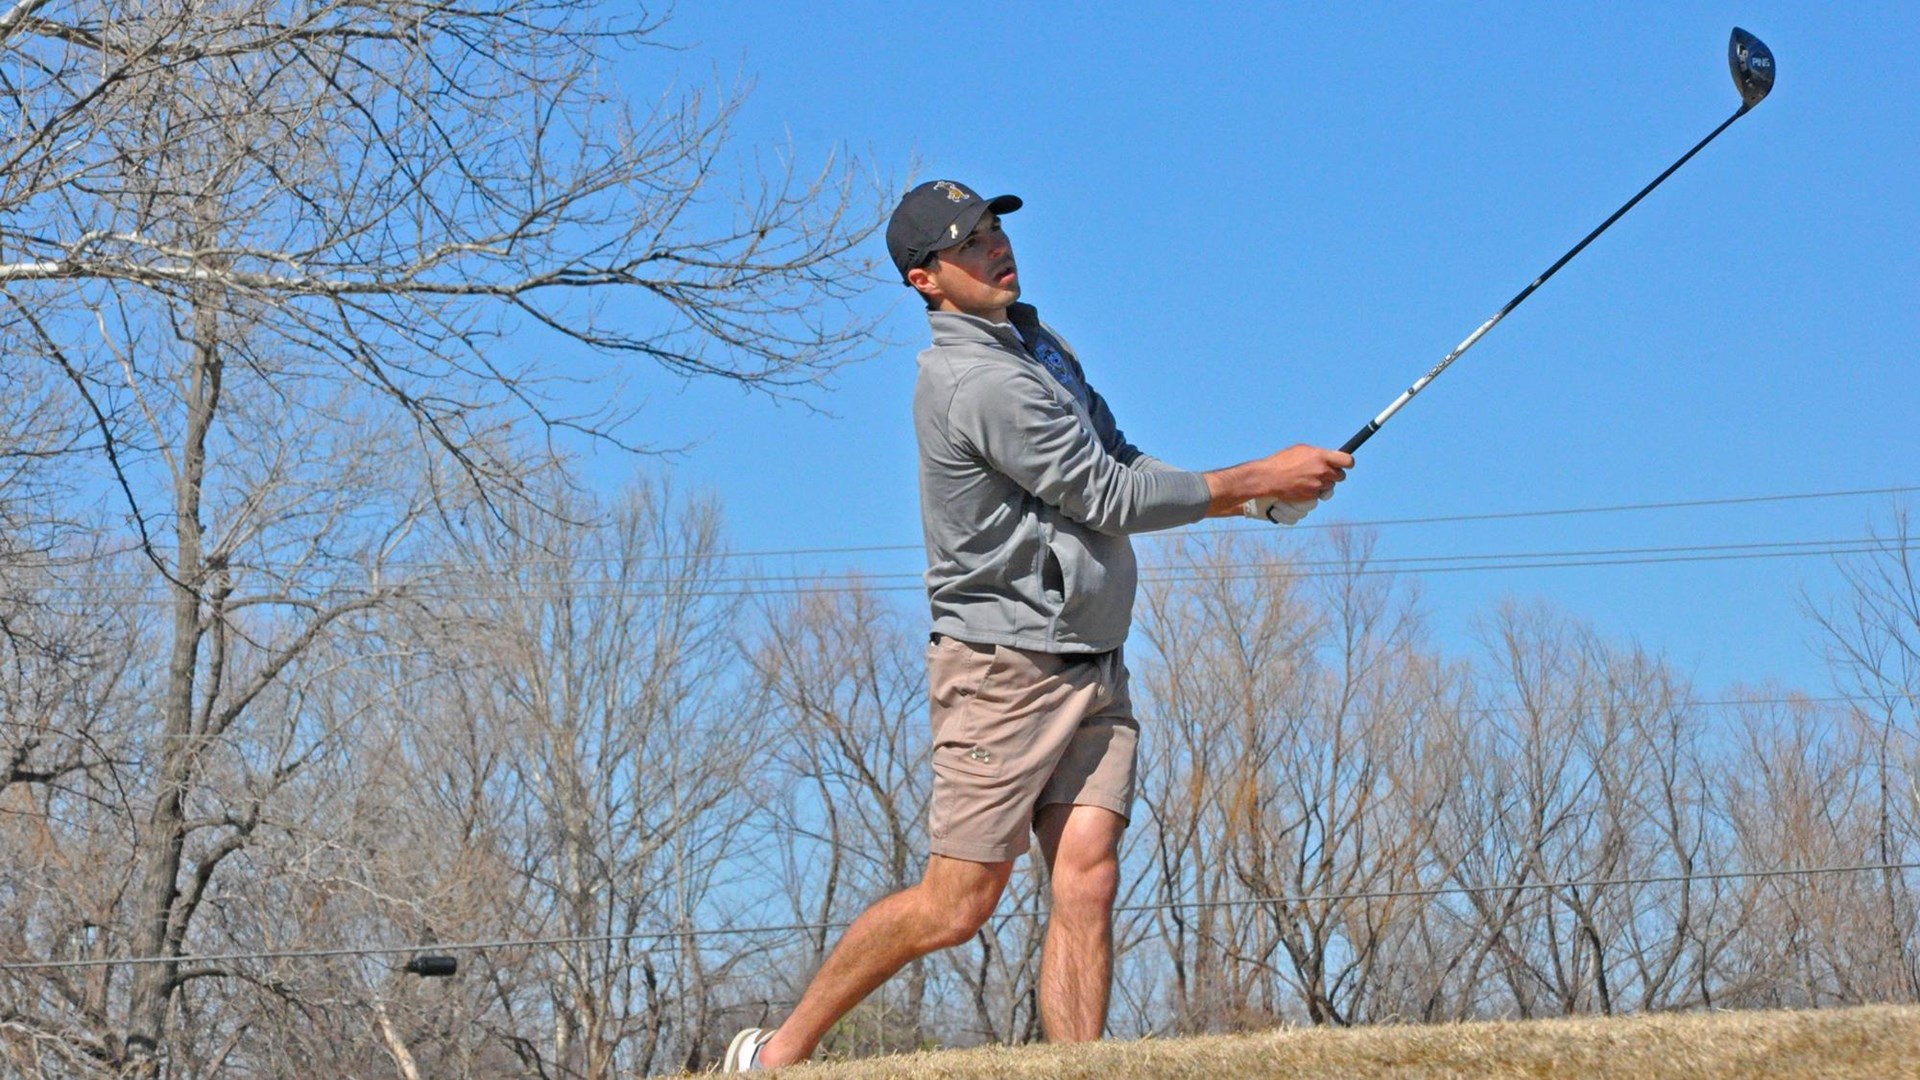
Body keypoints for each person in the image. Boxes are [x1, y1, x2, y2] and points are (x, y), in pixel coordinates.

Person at [723, 179, 1352, 1072]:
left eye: (993, 228)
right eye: (968, 241)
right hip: (1003, 672)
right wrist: (1255, 478)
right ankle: (777, 1054)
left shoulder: (1036, 344)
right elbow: (1104, 496)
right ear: (925, 280)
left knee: (1087, 872)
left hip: (1093, 657)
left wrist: (1248, 505)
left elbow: (1117, 458)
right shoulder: (974, 381)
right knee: (957, 904)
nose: (995, 246)